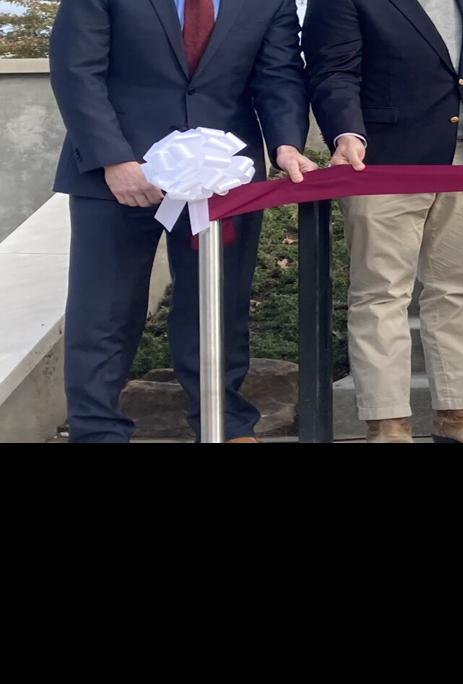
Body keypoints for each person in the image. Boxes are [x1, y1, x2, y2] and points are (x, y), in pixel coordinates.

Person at [50, 0, 314, 443]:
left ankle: (226, 425)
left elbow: (279, 75)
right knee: (105, 312)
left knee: (219, 305)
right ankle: (96, 431)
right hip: (115, 174)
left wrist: (286, 143)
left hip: (225, 178)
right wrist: (114, 159)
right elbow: (77, 70)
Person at [306, 0, 463, 443]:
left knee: (458, 290)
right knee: (381, 293)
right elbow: (333, 70)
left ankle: (461, 416)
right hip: (382, 162)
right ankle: (388, 424)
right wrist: (346, 133)